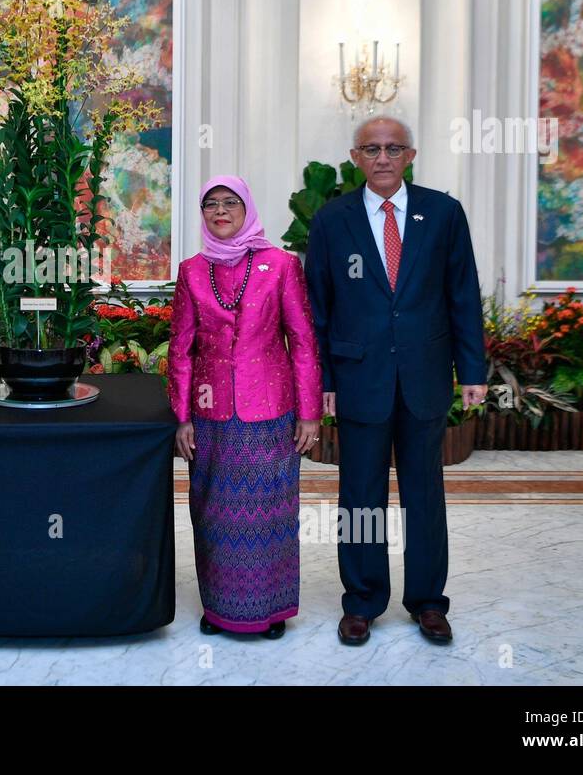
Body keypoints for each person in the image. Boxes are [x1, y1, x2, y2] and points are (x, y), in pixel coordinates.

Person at [305, 116, 487, 647]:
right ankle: (361, 602)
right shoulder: (332, 219)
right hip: (359, 378)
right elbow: (319, 307)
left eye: (393, 148)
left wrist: (471, 370)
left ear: (411, 155)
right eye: (371, 148)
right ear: (355, 157)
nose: (382, 157)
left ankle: (429, 602)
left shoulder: (444, 214)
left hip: (425, 377)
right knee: (359, 497)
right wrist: (323, 379)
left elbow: (463, 295)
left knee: (424, 494)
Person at [167, 175, 322, 639]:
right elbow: (181, 348)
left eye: (230, 203)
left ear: (247, 207)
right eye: (211, 204)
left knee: (269, 512)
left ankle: (270, 611)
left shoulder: (280, 265)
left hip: (269, 412)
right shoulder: (192, 269)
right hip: (211, 413)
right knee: (213, 511)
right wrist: (181, 416)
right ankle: (218, 610)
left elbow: (303, 340)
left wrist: (310, 411)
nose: (220, 211)